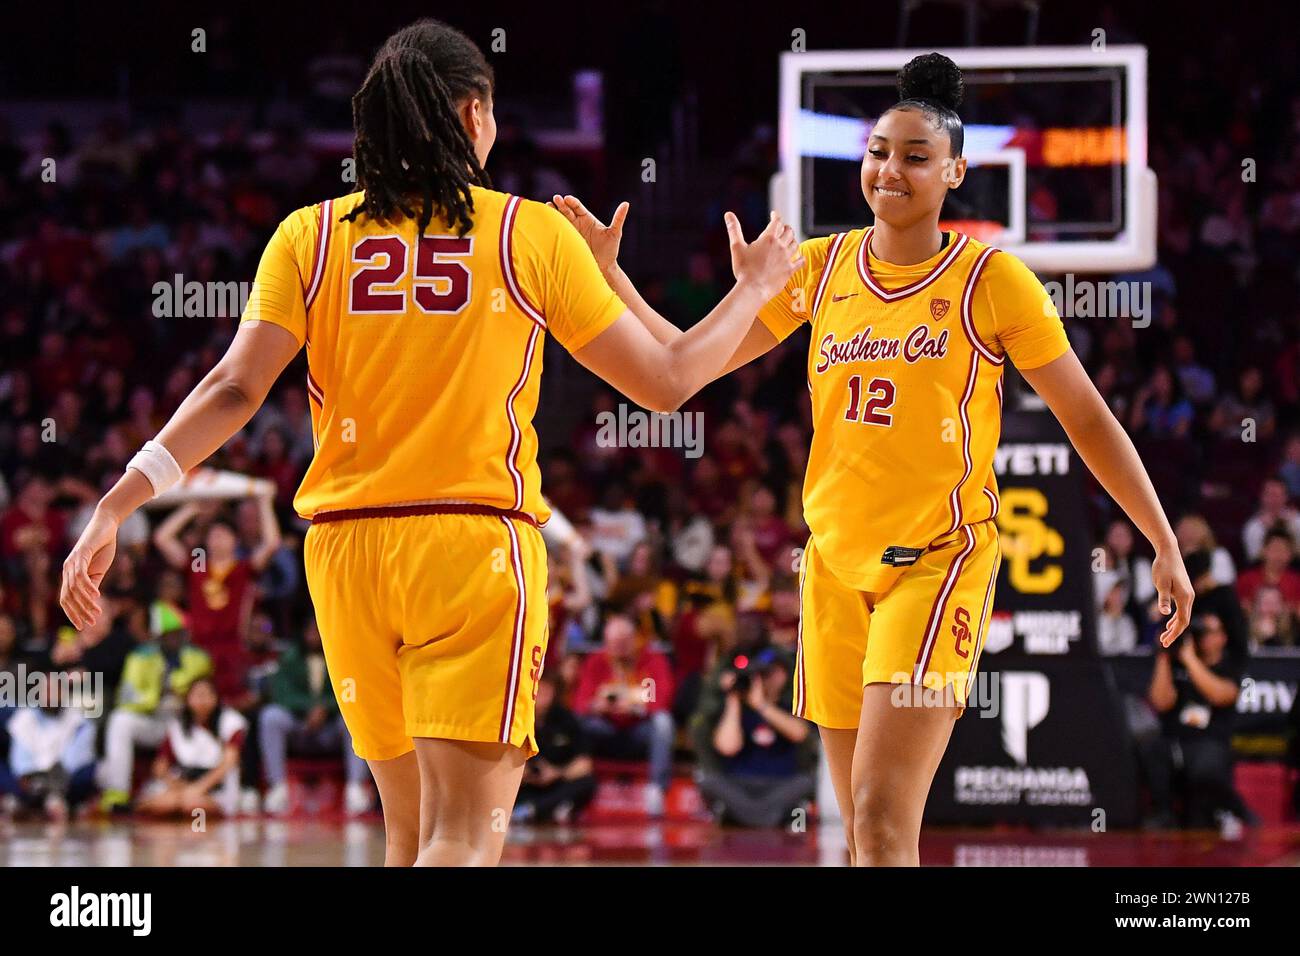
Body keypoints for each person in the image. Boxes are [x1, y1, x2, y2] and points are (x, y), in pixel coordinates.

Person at [59, 18, 800, 866]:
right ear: (473, 115)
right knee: (463, 839)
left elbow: (232, 388)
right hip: (469, 550)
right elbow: (668, 382)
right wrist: (754, 290)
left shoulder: (310, 235)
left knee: (408, 837)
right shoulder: (526, 232)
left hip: (345, 557)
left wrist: (118, 500)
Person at [553, 52, 1193, 865]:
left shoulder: (992, 281)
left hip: (932, 565)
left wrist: (1162, 541)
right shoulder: (818, 270)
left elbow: (1089, 419)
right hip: (831, 568)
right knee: (858, 835)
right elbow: (684, 360)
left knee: (885, 821)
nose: (891, 169)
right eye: (879, 152)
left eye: (917, 157)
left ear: (957, 170)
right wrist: (609, 276)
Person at [97, 601, 212, 812]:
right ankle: (117, 794)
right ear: (158, 636)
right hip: (153, 719)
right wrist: (155, 694)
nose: (175, 638)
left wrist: (181, 693)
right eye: (169, 634)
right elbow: (126, 698)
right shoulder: (139, 658)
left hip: (185, 722)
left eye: (179, 633)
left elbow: (205, 693)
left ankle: (194, 789)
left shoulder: (199, 658)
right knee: (120, 720)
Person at [259, 617, 372, 816]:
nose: (315, 636)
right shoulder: (288, 659)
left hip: (330, 728)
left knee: (353, 719)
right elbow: (281, 694)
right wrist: (309, 708)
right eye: (311, 631)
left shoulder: (342, 656)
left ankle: (356, 788)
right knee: (271, 716)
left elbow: (351, 690)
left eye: (319, 631)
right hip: (298, 726)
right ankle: (277, 788)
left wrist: (325, 708)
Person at [691, 647, 816, 827]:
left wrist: (762, 706)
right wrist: (733, 700)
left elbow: (800, 734)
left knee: (805, 783)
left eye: (768, 674)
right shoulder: (735, 707)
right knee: (709, 781)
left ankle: (747, 816)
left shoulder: (791, 705)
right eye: (759, 675)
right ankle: (766, 817)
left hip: (780, 783)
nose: (763, 680)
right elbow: (728, 747)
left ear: (782, 675)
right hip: (741, 783)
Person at [1147, 613, 1249, 831]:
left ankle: (1230, 810)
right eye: (1199, 632)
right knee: (1151, 748)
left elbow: (1221, 695)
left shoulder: (1230, 664)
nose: (1202, 637)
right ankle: (1164, 813)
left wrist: (1190, 660)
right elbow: (1160, 702)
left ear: (1222, 637)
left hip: (1211, 742)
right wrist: (1163, 655)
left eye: (1208, 632)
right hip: (1176, 739)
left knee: (1204, 762)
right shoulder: (1175, 663)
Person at [573, 614, 675, 816]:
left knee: (663, 723)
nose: (618, 650)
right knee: (579, 723)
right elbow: (580, 703)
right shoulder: (596, 661)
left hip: (639, 732)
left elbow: (662, 699)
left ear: (633, 639)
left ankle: (656, 790)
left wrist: (634, 706)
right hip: (606, 730)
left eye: (622, 644)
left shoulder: (653, 660)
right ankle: (575, 785)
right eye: (613, 645)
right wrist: (597, 706)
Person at [137, 676, 248, 818]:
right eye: (197, 695)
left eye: (207, 695)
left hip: (216, 787)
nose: (202, 700)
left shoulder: (231, 722)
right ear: (188, 699)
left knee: (193, 806)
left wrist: (199, 788)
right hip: (182, 782)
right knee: (166, 803)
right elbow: (160, 766)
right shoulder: (177, 725)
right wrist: (176, 785)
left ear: (216, 698)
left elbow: (229, 762)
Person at [512, 671, 596, 824]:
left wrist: (556, 773)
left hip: (556, 783)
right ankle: (542, 809)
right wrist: (522, 773)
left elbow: (585, 764)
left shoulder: (566, 719)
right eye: (539, 689)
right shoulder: (516, 718)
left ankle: (534, 810)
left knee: (586, 783)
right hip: (523, 783)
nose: (542, 694)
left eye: (547, 690)